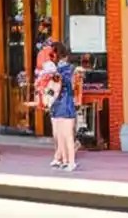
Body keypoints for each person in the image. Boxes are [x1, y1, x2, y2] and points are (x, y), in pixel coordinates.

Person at [49, 41, 82, 172]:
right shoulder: (71, 70)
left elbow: (54, 88)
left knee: (62, 135)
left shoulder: (58, 71)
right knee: (66, 135)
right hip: (67, 102)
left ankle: (68, 160)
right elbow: (75, 87)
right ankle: (68, 160)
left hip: (60, 103)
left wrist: (48, 98)